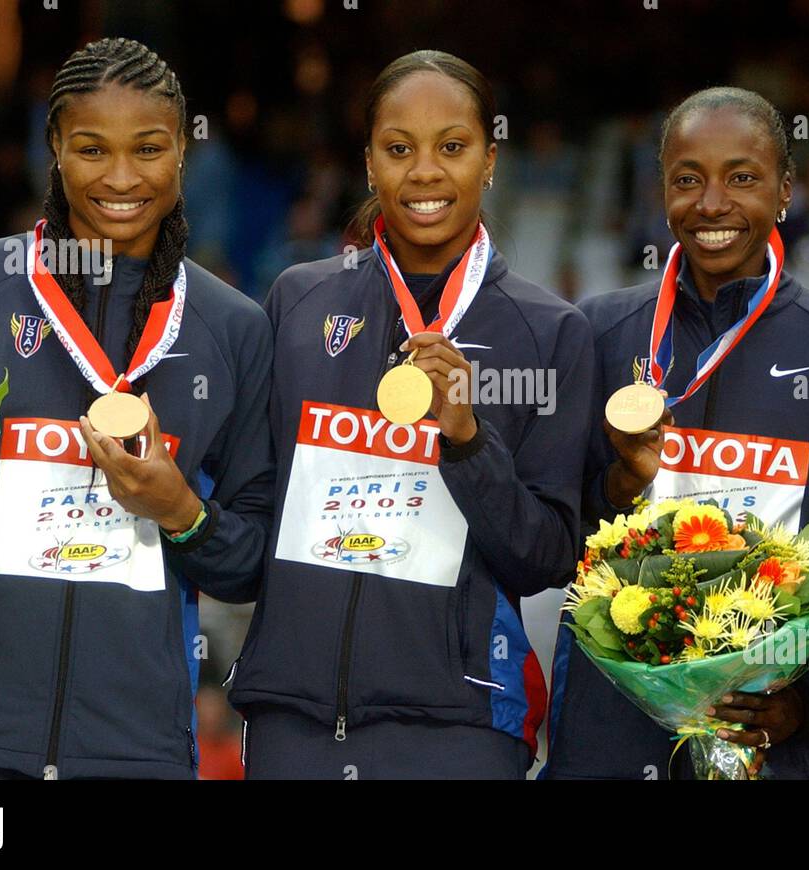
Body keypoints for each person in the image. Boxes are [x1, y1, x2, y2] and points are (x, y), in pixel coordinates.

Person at [0, 37, 275, 779]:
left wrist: (181, 509)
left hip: (133, 750)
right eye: (91, 149)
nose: (122, 178)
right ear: (53, 145)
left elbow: (250, 562)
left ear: (183, 148)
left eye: (149, 148)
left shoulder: (234, 329)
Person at [226, 50, 594, 779]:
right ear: (368, 163)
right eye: (399, 149)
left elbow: (549, 555)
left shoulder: (549, 331)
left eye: (452, 148)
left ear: (490, 159)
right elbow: (257, 508)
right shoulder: (298, 302)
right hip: (293, 724)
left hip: (460, 729)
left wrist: (465, 440)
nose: (425, 172)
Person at [544, 87, 809, 780]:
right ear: (661, 188)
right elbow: (551, 539)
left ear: (786, 188)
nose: (711, 205)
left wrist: (807, 702)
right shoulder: (597, 329)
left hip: (771, 739)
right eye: (687, 180)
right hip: (609, 733)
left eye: (742, 177)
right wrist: (623, 482)